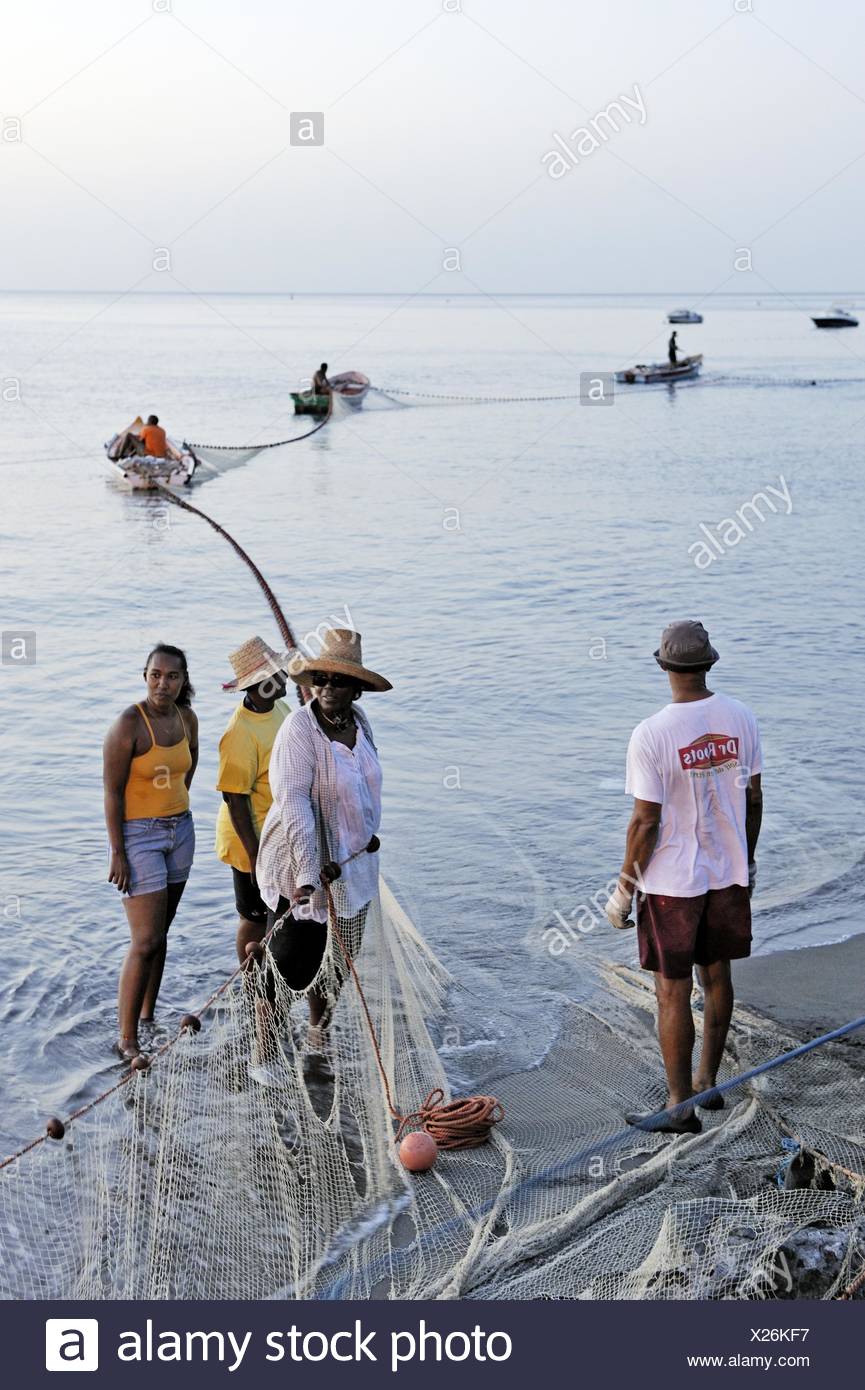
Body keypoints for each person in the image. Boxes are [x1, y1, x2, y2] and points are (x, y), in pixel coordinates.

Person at [605, 621, 762, 1134]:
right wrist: (749, 861)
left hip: (673, 885)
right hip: (727, 874)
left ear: (665, 667)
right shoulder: (741, 717)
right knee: (716, 979)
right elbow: (753, 799)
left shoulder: (652, 733)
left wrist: (624, 889)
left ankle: (680, 1108)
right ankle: (708, 1085)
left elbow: (645, 821)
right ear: (709, 663)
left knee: (671, 993)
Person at [256, 628, 391, 1053]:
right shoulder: (299, 730)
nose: (328, 688)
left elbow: (366, 787)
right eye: (322, 679)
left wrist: (363, 841)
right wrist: (308, 874)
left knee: (338, 962)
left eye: (339, 680)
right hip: (301, 866)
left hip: (352, 861)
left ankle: (318, 1036)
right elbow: (293, 802)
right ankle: (266, 1050)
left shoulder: (361, 723)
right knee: (289, 966)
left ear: (357, 690)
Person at [103, 644, 199, 1060]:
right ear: (145, 676)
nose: (163, 683)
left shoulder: (187, 717)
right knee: (144, 940)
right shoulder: (128, 724)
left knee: (161, 935)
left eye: (172, 676)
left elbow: (187, 770)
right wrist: (118, 853)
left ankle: (148, 1019)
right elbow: (111, 792)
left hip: (180, 832)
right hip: (138, 837)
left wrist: (173, 816)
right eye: (156, 674)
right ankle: (126, 1041)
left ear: (183, 681)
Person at [215, 637, 291, 964]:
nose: (286, 676)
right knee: (254, 916)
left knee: (280, 910)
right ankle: (251, 986)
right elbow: (234, 798)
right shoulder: (240, 732)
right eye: (278, 673)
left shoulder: (279, 708)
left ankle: (272, 978)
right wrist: (254, 855)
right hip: (250, 835)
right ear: (261, 684)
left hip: (276, 831)